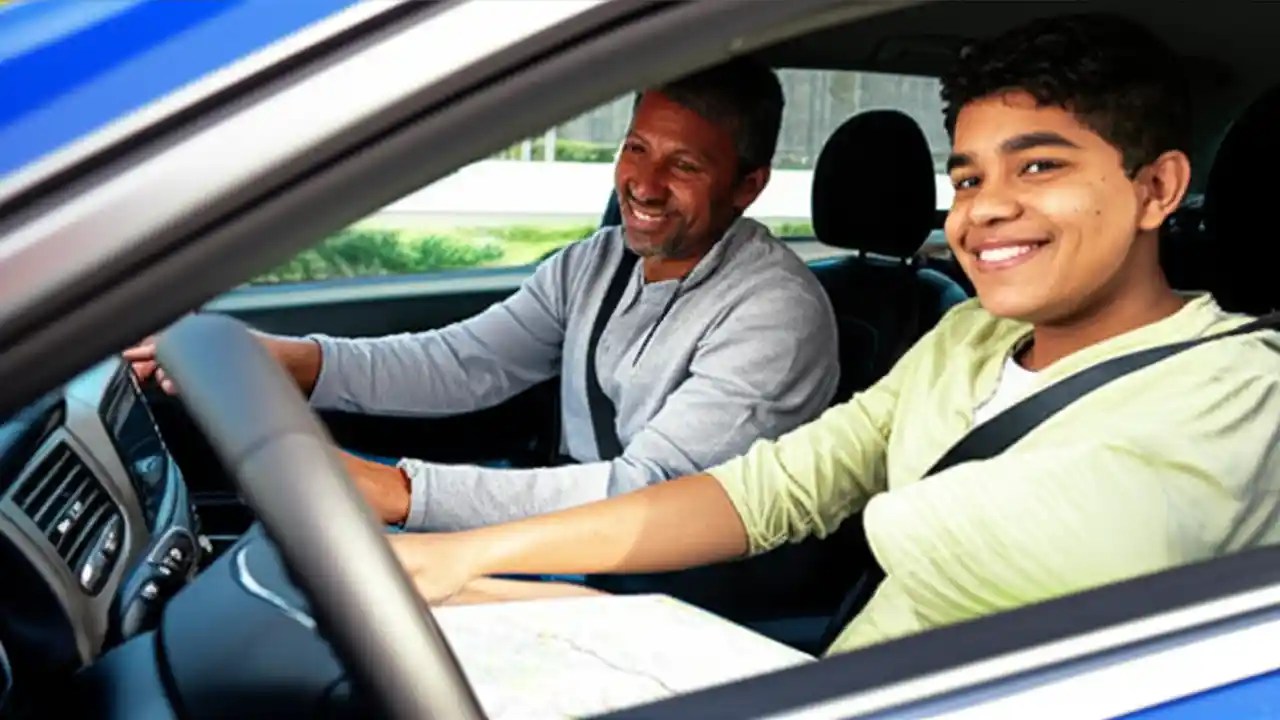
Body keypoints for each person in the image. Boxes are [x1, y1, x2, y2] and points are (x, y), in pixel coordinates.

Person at [385, 13, 1280, 655]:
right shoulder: (964, 336)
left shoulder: (1246, 391)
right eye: (966, 180)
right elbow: (770, 488)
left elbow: (964, 547)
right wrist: (471, 553)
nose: (985, 210)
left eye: (1039, 165)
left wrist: (574, 602)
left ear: (1158, 191)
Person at [126, 58, 840, 532]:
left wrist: (399, 492)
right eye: (635, 148)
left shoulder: (775, 315)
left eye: (683, 164)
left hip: (670, 577)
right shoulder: (600, 261)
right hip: (581, 538)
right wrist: (285, 360)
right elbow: (464, 362)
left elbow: (649, 497)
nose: (644, 185)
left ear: (749, 186)